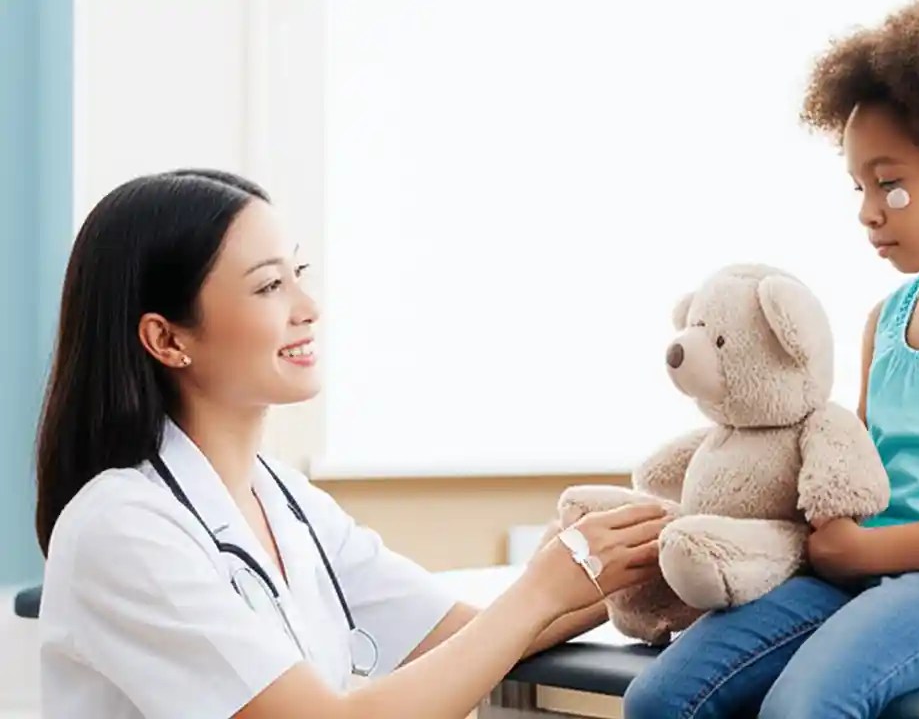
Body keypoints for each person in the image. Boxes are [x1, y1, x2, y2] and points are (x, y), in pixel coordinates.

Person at [34, 168, 668, 719]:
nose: (308, 307)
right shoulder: (121, 529)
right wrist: (547, 585)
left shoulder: (283, 500)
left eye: (298, 275)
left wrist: (649, 557)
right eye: (268, 286)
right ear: (167, 339)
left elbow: (466, 634)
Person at [624, 0, 919, 717]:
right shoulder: (890, 318)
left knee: (802, 707)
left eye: (891, 184)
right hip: (870, 571)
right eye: (860, 186)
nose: (868, 211)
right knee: (662, 697)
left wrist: (868, 554)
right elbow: (851, 475)